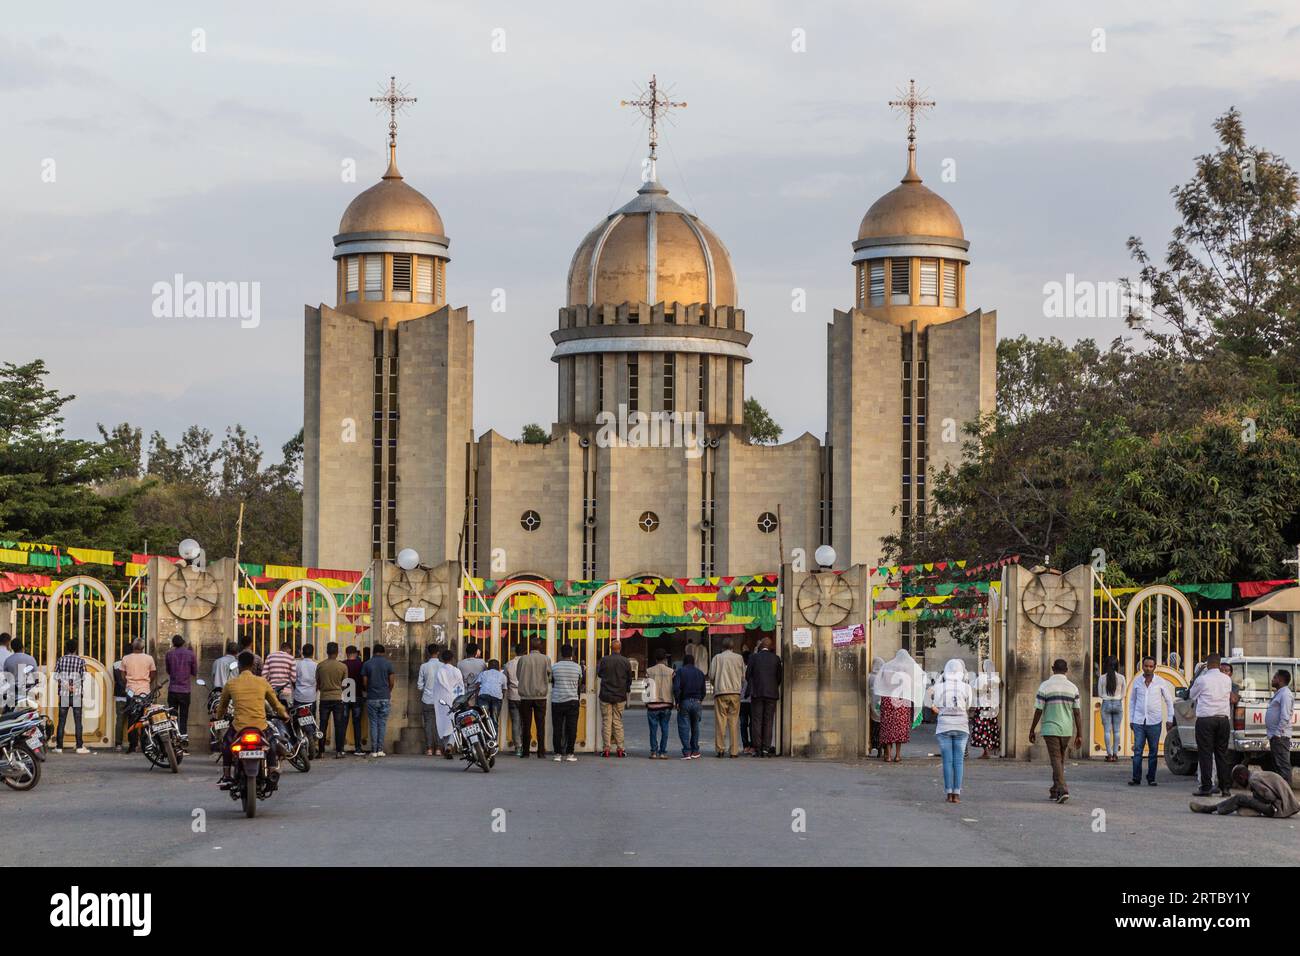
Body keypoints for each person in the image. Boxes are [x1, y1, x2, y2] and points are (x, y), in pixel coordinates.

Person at [216, 651, 289, 789]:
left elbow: (222, 707)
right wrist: (284, 715)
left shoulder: (231, 684)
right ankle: (272, 770)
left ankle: (226, 775)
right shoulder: (262, 682)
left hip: (239, 727)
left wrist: (218, 717)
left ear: (238, 666)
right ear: (253, 666)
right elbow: (276, 704)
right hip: (260, 726)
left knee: (226, 744)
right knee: (272, 741)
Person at [1028, 659, 1082, 804]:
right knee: (1059, 759)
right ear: (1067, 670)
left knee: (1056, 759)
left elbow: (1039, 710)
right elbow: (1077, 712)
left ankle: (1063, 789)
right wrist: (1080, 734)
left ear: (1053, 669)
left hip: (1050, 728)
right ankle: (1055, 789)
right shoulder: (1073, 688)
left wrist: (1032, 729)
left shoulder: (1045, 686)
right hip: (1066, 729)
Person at [1189, 653, 1234, 797]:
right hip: (1223, 719)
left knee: (1205, 754)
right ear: (1220, 664)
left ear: (1207, 664)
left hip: (1206, 720)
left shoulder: (1202, 679)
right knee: (1222, 754)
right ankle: (1225, 788)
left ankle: (1206, 787)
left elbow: (1191, 695)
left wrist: (1196, 675)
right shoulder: (1227, 679)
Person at [931, 659, 973, 803]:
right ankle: (957, 794)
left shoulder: (940, 687)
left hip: (944, 726)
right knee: (959, 761)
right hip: (961, 726)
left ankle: (948, 792)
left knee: (947, 761)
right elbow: (969, 706)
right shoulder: (966, 687)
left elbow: (935, 704)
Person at [1128, 655, 1174, 787]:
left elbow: (1169, 701)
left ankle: (1151, 778)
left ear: (1154, 667)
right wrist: (1132, 719)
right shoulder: (1137, 681)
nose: (1148, 669)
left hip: (1154, 722)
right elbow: (1132, 701)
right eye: (1146, 666)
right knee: (1137, 751)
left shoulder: (1160, 682)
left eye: (1150, 666)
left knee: (1153, 751)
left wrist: (1170, 718)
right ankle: (1136, 778)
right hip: (1139, 721)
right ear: (1142, 667)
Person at [1191, 764, 1300, 817]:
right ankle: (1216, 808)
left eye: (1237, 781)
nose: (1238, 784)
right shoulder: (1258, 775)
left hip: (1278, 808)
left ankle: (1209, 809)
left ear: (1242, 776)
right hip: (1285, 806)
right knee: (1243, 801)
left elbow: (1269, 797)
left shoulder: (1253, 780)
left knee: (1239, 798)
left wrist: (1255, 798)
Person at [877, 649, 920, 763]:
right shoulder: (908, 670)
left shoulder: (887, 667)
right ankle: (897, 755)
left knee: (888, 728)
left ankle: (888, 756)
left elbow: (881, 683)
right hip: (903, 700)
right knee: (900, 728)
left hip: (888, 699)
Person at [746, 637, 784, 757]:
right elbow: (779, 677)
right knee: (768, 721)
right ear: (770, 646)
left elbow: (748, 675)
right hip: (771, 694)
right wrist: (772, 686)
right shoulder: (776, 659)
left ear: (761, 646)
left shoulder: (754, 658)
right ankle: (766, 748)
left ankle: (757, 748)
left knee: (756, 721)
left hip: (757, 693)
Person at [515, 638, 551, 758]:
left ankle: (525, 752)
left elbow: (518, 675)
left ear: (530, 647)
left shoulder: (523, 659)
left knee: (526, 725)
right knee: (540, 725)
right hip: (540, 696)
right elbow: (549, 675)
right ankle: (541, 752)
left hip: (525, 696)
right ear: (541, 647)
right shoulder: (546, 659)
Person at [709, 637, 745, 758]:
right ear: (732, 647)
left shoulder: (717, 658)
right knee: (734, 722)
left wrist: (716, 685)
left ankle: (720, 749)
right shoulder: (739, 658)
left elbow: (711, 675)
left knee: (720, 722)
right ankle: (734, 751)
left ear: (722, 647)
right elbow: (743, 677)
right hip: (735, 693)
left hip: (721, 693)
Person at [597, 638, 632, 757]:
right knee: (617, 722)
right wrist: (626, 690)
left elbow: (599, 674)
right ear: (620, 648)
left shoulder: (604, 660)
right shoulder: (625, 661)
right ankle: (620, 748)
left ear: (611, 648)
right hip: (620, 696)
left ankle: (606, 748)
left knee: (607, 721)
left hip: (606, 695)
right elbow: (629, 679)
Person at [53, 639, 89, 754]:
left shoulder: (61, 660)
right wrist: (74, 686)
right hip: (77, 694)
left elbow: (55, 676)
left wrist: (66, 685)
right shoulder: (81, 661)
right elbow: (84, 677)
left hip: (63, 694)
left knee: (61, 720)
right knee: (78, 721)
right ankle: (79, 746)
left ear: (66, 648)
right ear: (76, 649)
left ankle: (59, 747)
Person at [360, 644, 395, 757]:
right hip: (384, 696)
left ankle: (374, 750)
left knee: (373, 723)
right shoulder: (388, 664)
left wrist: (368, 690)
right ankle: (380, 749)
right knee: (382, 724)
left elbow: (364, 682)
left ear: (373, 652)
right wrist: (388, 691)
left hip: (372, 697)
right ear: (383, 652)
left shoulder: (367, 664)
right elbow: (392, 681)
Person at [316, 642, 349, 758]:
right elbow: (345, 685)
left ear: (327, 652)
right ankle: (339, 751)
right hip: (337, 698)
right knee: (339, 725)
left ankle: (321, 751)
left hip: (324, 698)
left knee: (323, 725)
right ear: (337, 652)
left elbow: (318, 684)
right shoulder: (343, 667)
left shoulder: (320, 665)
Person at [551, 643, 582, 762]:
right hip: (572, 700)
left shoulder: (555, 667)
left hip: (557, 700)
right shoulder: (577, 667)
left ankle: (557, 753)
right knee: (572, 728)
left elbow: (552, 681)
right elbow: (580, 682)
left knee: (557, 728)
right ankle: (570, 753)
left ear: (560, 653)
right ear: (572, 654)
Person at [432, 649, 465, 758]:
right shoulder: (456, 671)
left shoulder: (439, 671)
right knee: (454, 723)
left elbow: (436, 688)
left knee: (443, 723)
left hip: (443, 701)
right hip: (455, 700)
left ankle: (446, 746)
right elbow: (461, 686)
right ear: (452, 659)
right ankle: (450, 744)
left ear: (442, 659)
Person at [673, 653, 707, 759]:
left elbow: (676, 688)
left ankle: (687, 751)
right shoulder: (700, 673)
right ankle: (695, 750)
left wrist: (677, 701)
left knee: (684, 726)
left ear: (684, 662)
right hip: (697, 702)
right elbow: (704, 690)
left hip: (685, 701)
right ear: (693, 662)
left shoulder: (680, 672)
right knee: (695, 726)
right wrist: (700, 700)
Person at [164, 634, 197, 738]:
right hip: (185, 691)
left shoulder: (169, 654)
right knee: (184, 717)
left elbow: (168, 670)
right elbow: (194, 671)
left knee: (172, 717)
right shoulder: (191, 654)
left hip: (173, 690)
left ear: (173, 644)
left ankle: (174, 739)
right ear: (183, 643)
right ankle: (183, 740)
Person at [644, 647, 674, 759]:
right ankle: (663, 752)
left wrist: (646, 702)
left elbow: (646, 688)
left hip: (652, 705)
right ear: (665, 659)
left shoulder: (649, 671)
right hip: (666, 704)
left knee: (653, 729)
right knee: (665, 728)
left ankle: (653, 752)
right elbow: (674, 688)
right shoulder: (671, 672)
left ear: (655, 659)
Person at [1266, 668, 1294, 784]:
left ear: (1281, 680)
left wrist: (1277, 733)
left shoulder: (1285, 694)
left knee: (1283, 766)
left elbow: (1285, 716)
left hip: (1280, 736)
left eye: (1275, 677)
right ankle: (1280, 793)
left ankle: (1286, 794)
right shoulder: (1280, 693)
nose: (1272, 679)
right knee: (1278, 766)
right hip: (1275, 736)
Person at [1097, 656, 1126, 762]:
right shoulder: (1122, 678)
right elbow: (1124, 694)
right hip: (1118, 704)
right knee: (1117, 731)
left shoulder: (1102, 678)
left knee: (1107, 731)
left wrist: (1107, 697)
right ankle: (1115, 754)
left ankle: (1109, 755)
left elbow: (1100, 694)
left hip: (1106, 704)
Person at [970, 659, 1001, 758]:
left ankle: (986, 751)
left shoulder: (981, 679)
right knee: (990, 728)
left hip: (983, 707)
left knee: (982, 729)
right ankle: (988, 750)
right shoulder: (996, 678)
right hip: (992, 708)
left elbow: (975, 691)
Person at [416, 644, 442, 756]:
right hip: (441, 700)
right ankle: (439, 749)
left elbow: (419, 685)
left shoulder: (424, 666)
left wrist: (426, 689)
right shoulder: (443, 666)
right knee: (439, 724)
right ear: (438, 652)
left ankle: (429, 749)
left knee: (428, 724)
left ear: (428, 653)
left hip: (427, 699)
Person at [293, 644, 318, 752]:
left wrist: (297, 688)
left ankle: (296, 742)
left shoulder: (297, 664)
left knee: (296, 721)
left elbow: (293, 680)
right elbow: (318, 681)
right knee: (312, 719)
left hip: (299, 697)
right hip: (311, 697)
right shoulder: (316, 665)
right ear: (313, 652)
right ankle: (314, 740)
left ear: (302, 652)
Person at [343, 645, 366, 754]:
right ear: (356, 653)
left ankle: (340, 748)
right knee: (357, 723)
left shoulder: (342, 664)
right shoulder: (361, 665)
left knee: (343, 723)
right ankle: (358, 748)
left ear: (346, 653)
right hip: (357, 696)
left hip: (345, 696)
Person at [504, 643, 524, 752]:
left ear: (515, 652)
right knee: (525, 721)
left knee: (516, 721)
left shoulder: (508, 664)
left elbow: (505, 681)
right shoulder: (527, 663)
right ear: (525, 652)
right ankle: (526, 744)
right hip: (525, 695)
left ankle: (518, 746)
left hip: (512, 695)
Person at [477, 659, 507, 730]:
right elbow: (504, 689)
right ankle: (493, 739)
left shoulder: (483, 673)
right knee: (494, 720)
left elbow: (477, 685)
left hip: (483, 696)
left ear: (488, 666)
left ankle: (484, 737)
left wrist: (477, 697)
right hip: (497, 698)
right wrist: (502, 698)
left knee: (483, 718)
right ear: (498, 667)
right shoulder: (502, 676)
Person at [867, 656, 885, 758]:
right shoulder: (883, 677)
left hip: (872, 706)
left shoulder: (870, 677)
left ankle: (872, 747)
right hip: (882, 707)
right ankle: (881, 750)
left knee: (873, 729)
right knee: (882, 729)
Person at [740, 647, 754, 755]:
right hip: (752, 700)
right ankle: (753, 745)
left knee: (743, 724)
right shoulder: (755, 668)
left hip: (742, 700)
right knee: (753, 724)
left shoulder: (741, 669)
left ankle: (745, 745)